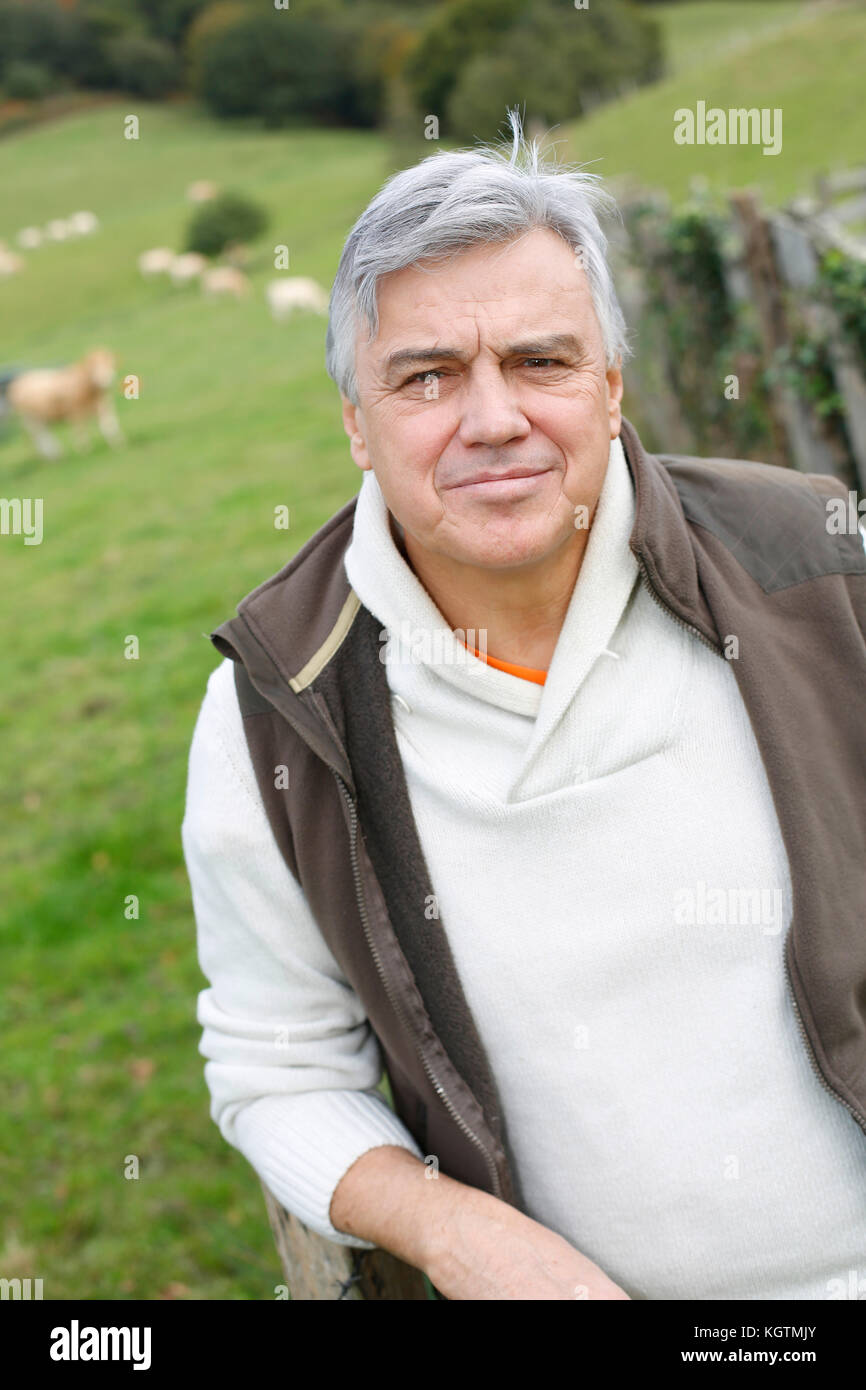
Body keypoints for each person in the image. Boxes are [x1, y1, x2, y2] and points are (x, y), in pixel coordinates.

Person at [181, 111, 866, 1301]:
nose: (491, 419)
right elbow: (276, 1067)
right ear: (356, 422)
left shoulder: (818, 566)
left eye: (540, 362)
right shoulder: (277, 706)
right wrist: (457, 1235)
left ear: (610, 386)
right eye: (427, 376)